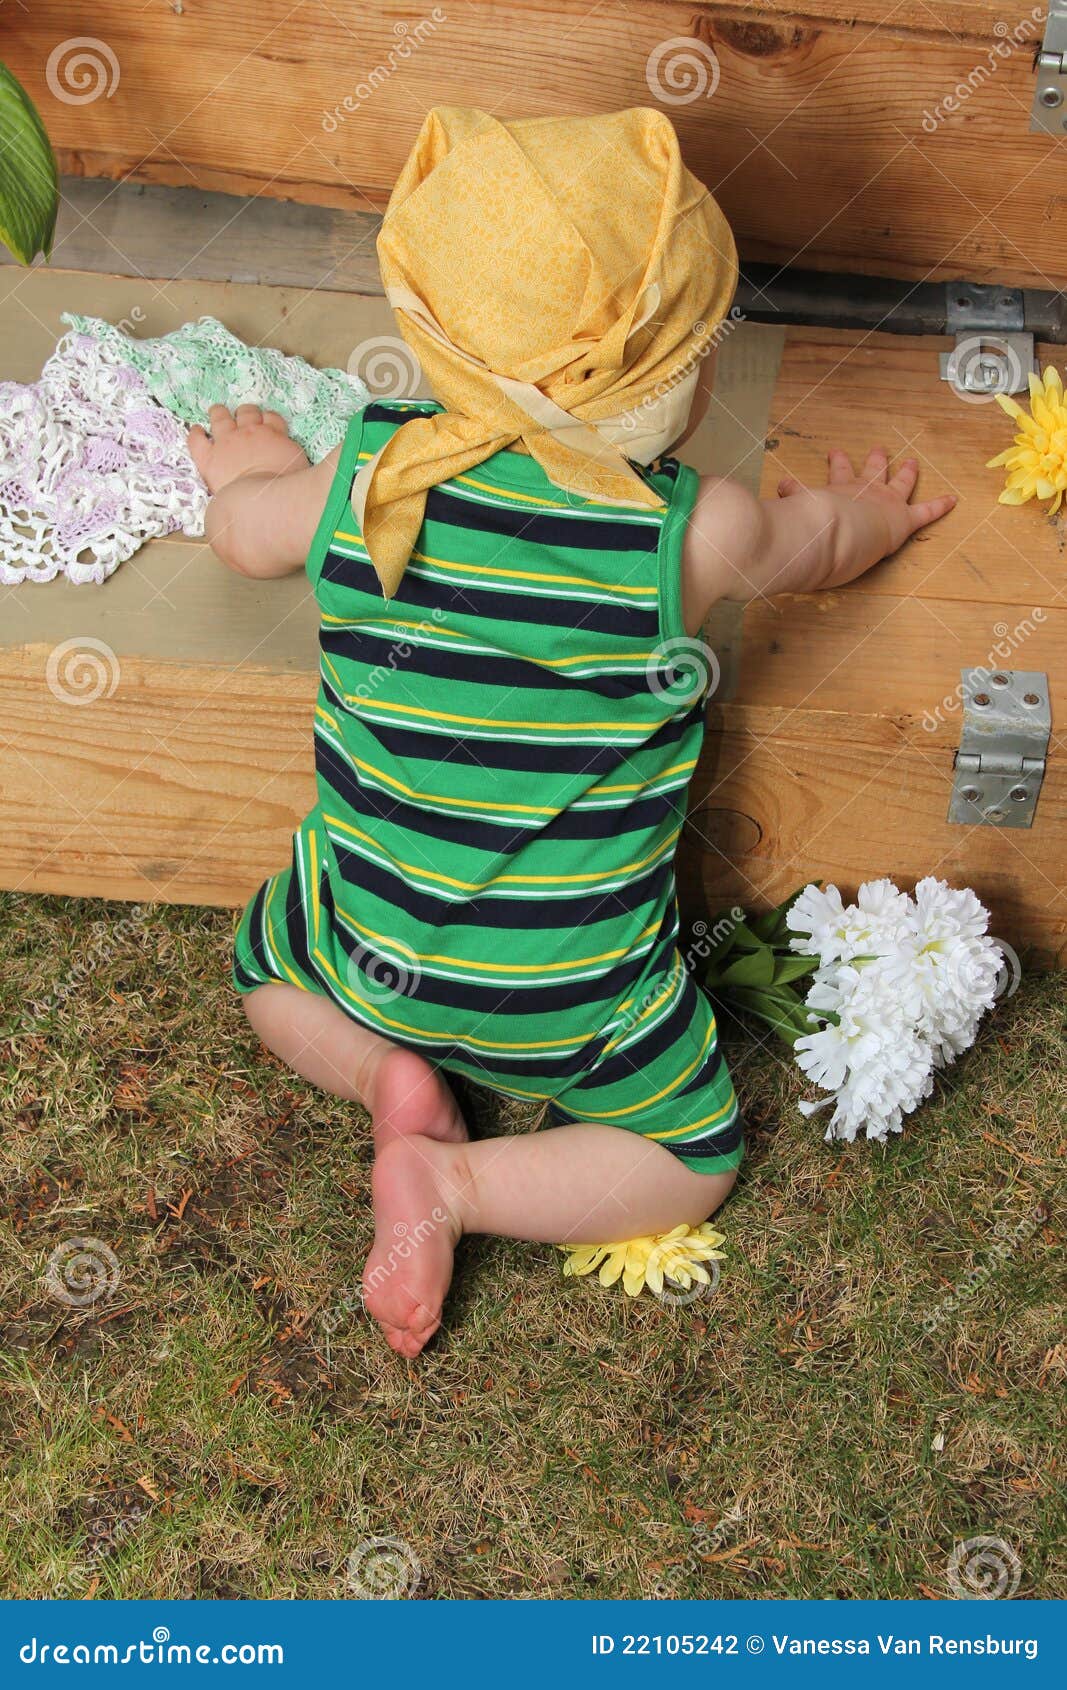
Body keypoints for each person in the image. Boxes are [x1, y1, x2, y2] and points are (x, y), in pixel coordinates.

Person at [189, 107, 956, 1357]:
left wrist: (245, 471)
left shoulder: (366, 474)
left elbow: (238, 537)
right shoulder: (690, 532)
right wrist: (865, 511)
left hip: (369, 939)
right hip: (567, 991)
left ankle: (390, 1079)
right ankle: (459, 1185)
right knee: (690, 1151)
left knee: (265, 976)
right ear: (677, 381)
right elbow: (814, 547)